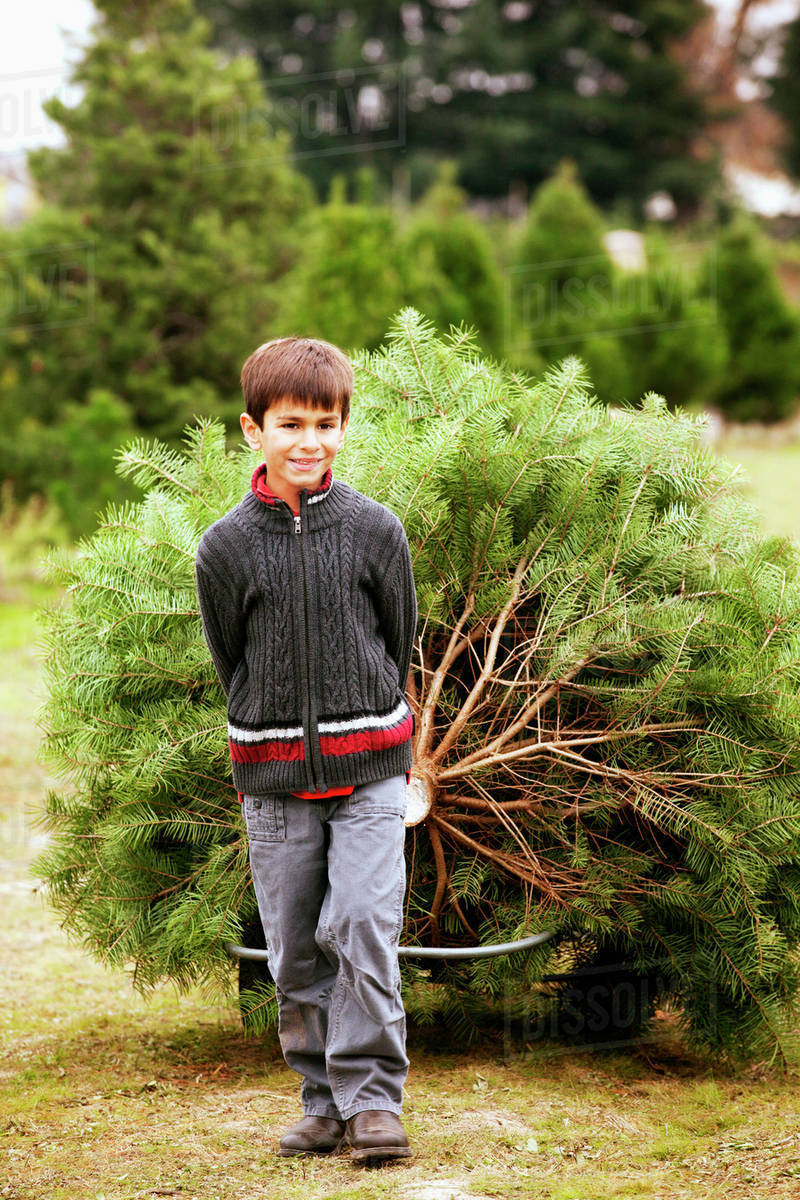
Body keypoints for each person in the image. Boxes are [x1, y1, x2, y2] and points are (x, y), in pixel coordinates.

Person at [195, 336, 417, 1166]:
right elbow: (231, 659)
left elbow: (398, 642)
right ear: (253, 430)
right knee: (293, 946)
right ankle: (320, 1100)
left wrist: (367, 728)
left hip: (370, 772)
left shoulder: (374, 531)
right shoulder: (225, 546)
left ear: (345, 428)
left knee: (361, 925)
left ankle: (371, 1103)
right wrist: (275, 728)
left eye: (327, 423)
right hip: (275, 778)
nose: (310, 441)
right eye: (291, 423)